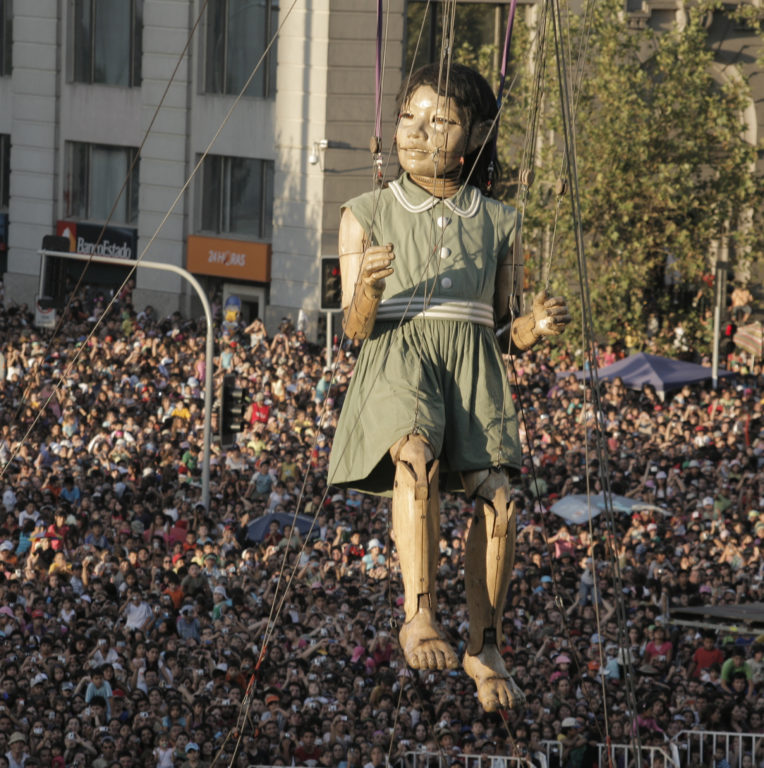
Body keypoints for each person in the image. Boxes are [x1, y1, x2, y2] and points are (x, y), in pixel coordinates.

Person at [328, 62, 570, 711]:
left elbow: (500, 332)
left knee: (502, 501)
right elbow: (355, 327)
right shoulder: (365, 213)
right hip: (399, 356)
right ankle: (420, 612)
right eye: (410, 117)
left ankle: (485, 644)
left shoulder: (501, 222)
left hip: (471, 365)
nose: (417, 131)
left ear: (473, 135)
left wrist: (534, 327)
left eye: (439, 120)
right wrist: (371, 286)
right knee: (414, 457)